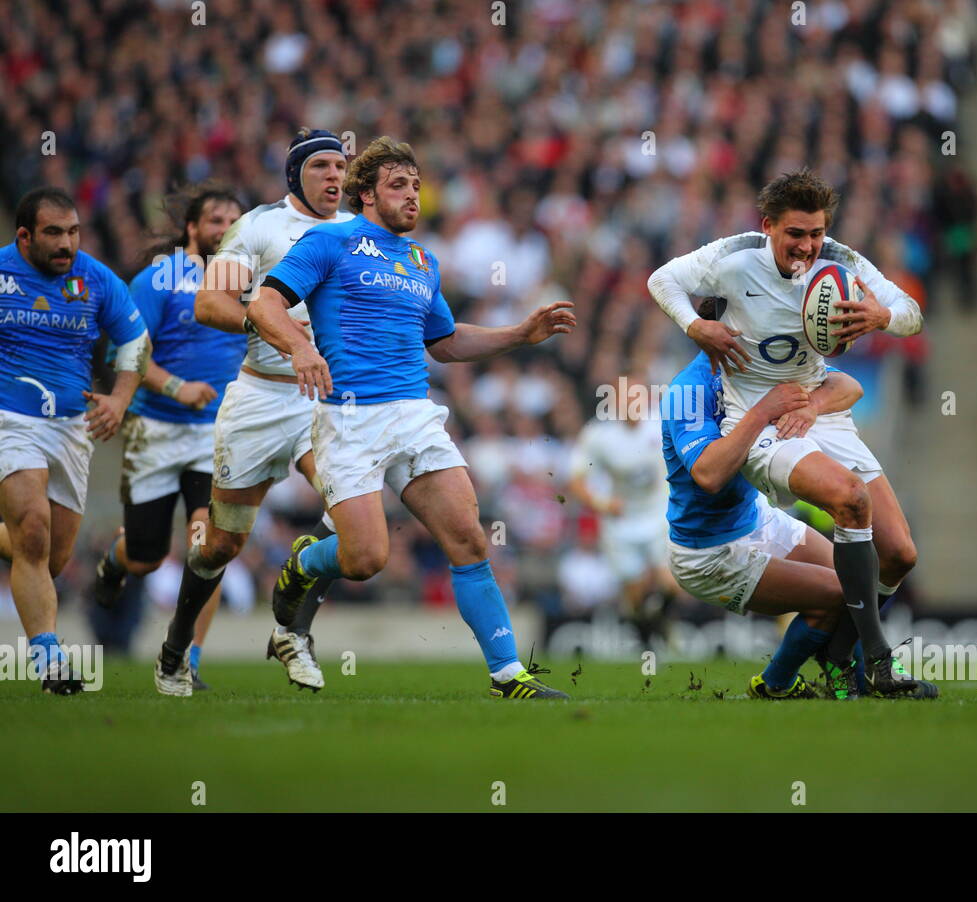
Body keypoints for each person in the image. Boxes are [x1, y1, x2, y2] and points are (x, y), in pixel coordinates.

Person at [248, 136, 577, 700]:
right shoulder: (330, 240)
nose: (412, 196)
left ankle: (508, 675)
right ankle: (306, 559)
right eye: (399, 185)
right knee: (366, 558)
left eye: (417, 186)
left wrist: (520, 334)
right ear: (367, 194)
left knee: (470, 539)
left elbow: (445, 343)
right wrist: (301, 350)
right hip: (349, 418)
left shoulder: (423, 260)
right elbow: (263, 304)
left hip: (415, 416)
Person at [648, 168, 923, 696]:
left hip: (811, 415)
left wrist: (881, 315)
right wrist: (694, 325)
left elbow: (911, 318)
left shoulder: (840, 263)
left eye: (815, 233)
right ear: (769, 226)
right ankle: (877, 664)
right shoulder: (732, 264)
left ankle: (840, 659)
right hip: (756, 429)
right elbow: (662, 280)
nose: (807, 245)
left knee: (899, 555)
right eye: (795, 233)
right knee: (849, 499)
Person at [152, 129, 353, 697]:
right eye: (321, 167)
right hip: (261, 398)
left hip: (325, 401)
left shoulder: (359, 232)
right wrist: (278, 329)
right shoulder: (259, 226)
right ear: (296, 176)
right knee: (221, 545)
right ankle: (174, 650)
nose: (335, 177)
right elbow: (209, 302)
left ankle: (292, 631)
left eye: (341, 166)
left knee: (351, 514)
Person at [662, 299, 936, 700]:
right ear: (716, 330)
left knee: (860, 577)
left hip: (758, 519)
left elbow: (848, 385)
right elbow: (709, 474)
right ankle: (777, 683)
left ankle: (857, 675)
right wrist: (762, 412)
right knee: (842, 595)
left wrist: (812, 407)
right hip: (709, 549)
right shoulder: (688, 390)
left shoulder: (764, 364)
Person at [90, 185, 244, 690]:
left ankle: (186, 658)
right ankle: (117, 560)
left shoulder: (250, 282)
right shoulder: (159, 278)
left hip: (214, 435)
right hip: (154, 429)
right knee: (147, 557)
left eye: (232, 221)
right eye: (215, 220)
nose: (224, 230)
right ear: (193, 229)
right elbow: (125, 353)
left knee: (210, 544)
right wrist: (178, 388)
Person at [0, 187, 150, 694]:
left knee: (50, 557)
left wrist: (120, 399)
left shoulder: (96, 278)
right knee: (34, 531)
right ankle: (50, 662)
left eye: (73, 231)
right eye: (53, 233)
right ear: (24, 236)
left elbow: (134, 341)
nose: (67, 244)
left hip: (71, 427)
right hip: (10, 419)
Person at [568, 376, 674, 647]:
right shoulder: (599, 434)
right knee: (635, 595)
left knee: (670, 583)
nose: (633, 403)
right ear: (614, 401)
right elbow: (576, 481)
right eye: (627, 397)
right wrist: (603, 504)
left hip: (659, 515)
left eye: (638, 396)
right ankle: (647, 639)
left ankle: (658, 622)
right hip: (621, 521)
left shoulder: (663, 424)